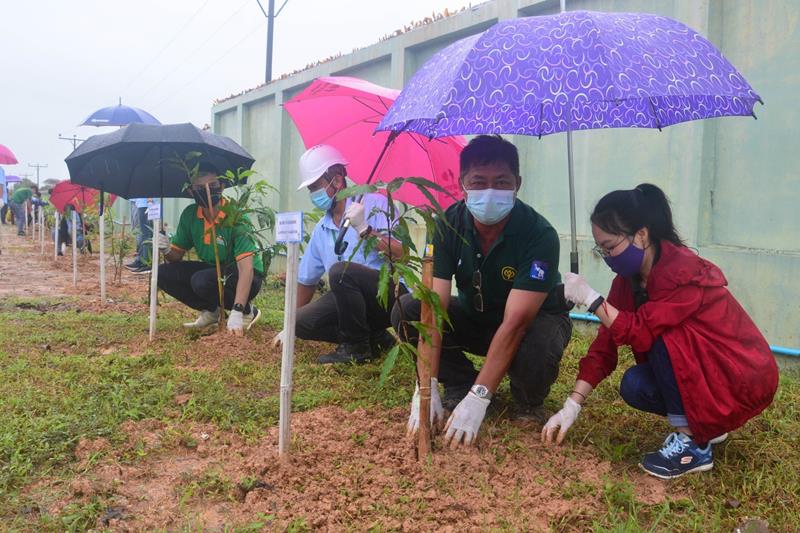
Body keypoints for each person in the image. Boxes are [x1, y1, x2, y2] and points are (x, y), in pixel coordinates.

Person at [542, 183, 779, 479]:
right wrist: (571, 405)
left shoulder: (684, 272)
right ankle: (706, 425)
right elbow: (605, 345)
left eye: (610, 246)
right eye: (600, 249)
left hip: (741, 376)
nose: (606, 256)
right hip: (709, 375)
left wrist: (592, 299)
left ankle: (694, 446)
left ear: (641, 234)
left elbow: (642, 331)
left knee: (665, 338)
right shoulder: (627, 281)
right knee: (634, 384)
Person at [392, 135, 572, 447]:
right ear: (462, 183)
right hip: (478, 316)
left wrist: (481, 397)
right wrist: (427, 384)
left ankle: (527, 400)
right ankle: (458, 382)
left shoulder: (539, 234)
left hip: (529, 323)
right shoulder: (446, 225)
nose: (490, 191)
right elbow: (433, 307)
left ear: (518, 183)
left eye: (501, 181)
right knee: (408, 310)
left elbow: (517, 323)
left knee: (540, 341)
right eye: (479, 181)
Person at [272, 144, 405, 364]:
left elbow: (402, 254)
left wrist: (365, 229)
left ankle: (357, 348)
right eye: (310, 189)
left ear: (337, 179)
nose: (314, 194)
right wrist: (289, 327)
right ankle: (374, 339)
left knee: (341, 272)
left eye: (317, 186)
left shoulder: (377, 205)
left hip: (385, 297)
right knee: (301, 322)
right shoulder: (322, 229)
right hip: (350, 306)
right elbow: (306, 282)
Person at [157, 163, 263, 335]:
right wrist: (167, 249)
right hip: (214, 271)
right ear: (191, 191)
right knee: (162, 273)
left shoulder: (236, 216)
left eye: (213, 186)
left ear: (222, 187)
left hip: (246, 276)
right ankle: (212, 311)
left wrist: (237, 309)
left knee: (202, 281)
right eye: (199, 187)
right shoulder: (190, 215)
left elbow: (246, 268)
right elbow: (176, 256)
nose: (207, 191)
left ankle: (247, 311)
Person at [125, 197, 154, 274]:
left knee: (146, 234)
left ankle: (147, 263)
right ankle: (141, 260)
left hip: (147, 203)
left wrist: (150, 201)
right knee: (142, 233)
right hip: (142, 203)